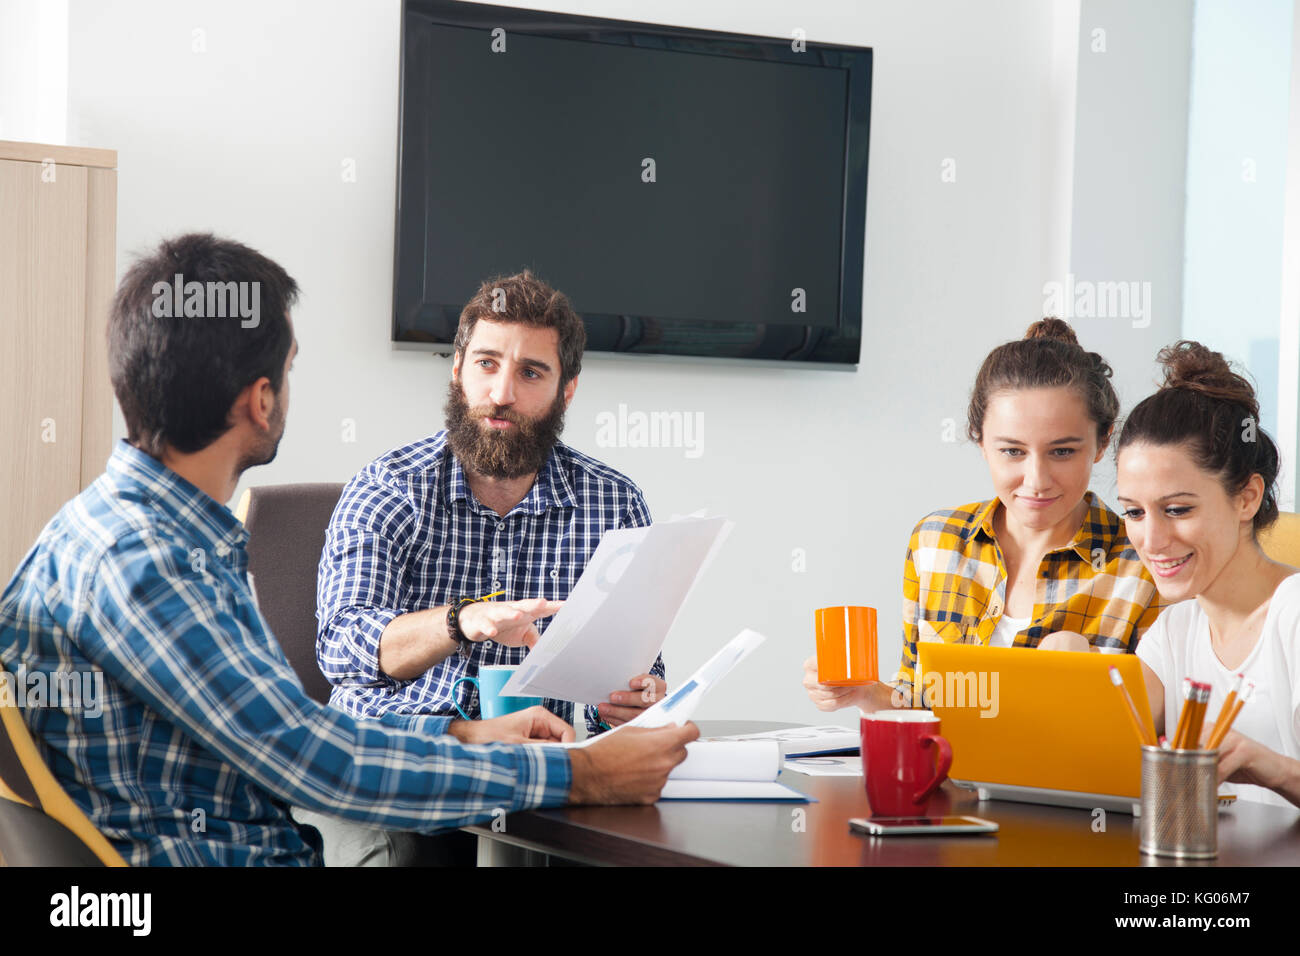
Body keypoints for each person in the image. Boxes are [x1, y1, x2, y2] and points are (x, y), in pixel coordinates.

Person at [0, 233, 697, 866]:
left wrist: (462, 738)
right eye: (291, 369)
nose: (502, 390)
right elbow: (318, 759)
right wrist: (580, 774)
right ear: (262, 400)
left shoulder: (118, 531)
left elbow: (300, 733)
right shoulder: (149, 564)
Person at [316, 270, 665, 733]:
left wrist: (630, 703)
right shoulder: (389, 486)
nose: (501, 394)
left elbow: (639, 679)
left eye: (530, 372)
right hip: (408, 764)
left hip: (541, 770)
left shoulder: (615, 506)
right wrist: (460, 621)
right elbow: (342, 650)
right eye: (486, 363)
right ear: (457, 370)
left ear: (567, 389)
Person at [803, 319, 1162, 713]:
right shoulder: (935, 541)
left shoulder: (1144, 562)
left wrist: (1084, 682)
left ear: (1102, 442)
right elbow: (916, 697)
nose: (1036, 480)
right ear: (980, 441)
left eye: (1062, 452)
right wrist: (869, 694)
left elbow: (1155, 732)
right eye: (1012, 451)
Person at [1118, 341, 1300, 808]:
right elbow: (1100, 742)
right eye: (1134, 512)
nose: (1152, 540)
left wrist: (1271, 767)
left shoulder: (1293, 616)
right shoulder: (1174, 631)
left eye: (1177, 509)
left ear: (1246, 498)